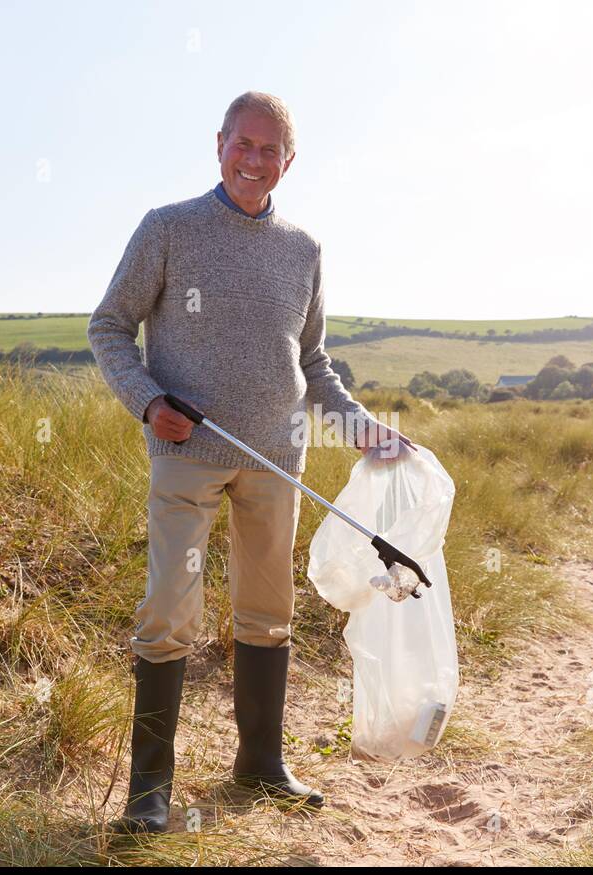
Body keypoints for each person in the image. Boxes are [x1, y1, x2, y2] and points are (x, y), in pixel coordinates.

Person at [87, 91, 412, 834]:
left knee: (269, 613)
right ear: (220, 145)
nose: (255, 160)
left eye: (271, 151)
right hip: (186, 452)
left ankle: (260, 767)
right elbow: (109, 325)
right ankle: (149, 791)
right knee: (170, 609)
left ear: (288, 163)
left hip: (277, 459)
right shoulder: (167, 229)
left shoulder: (304, 250)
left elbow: (314, 363)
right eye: (245, 144)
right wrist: (144, 399)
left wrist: (363, 429)